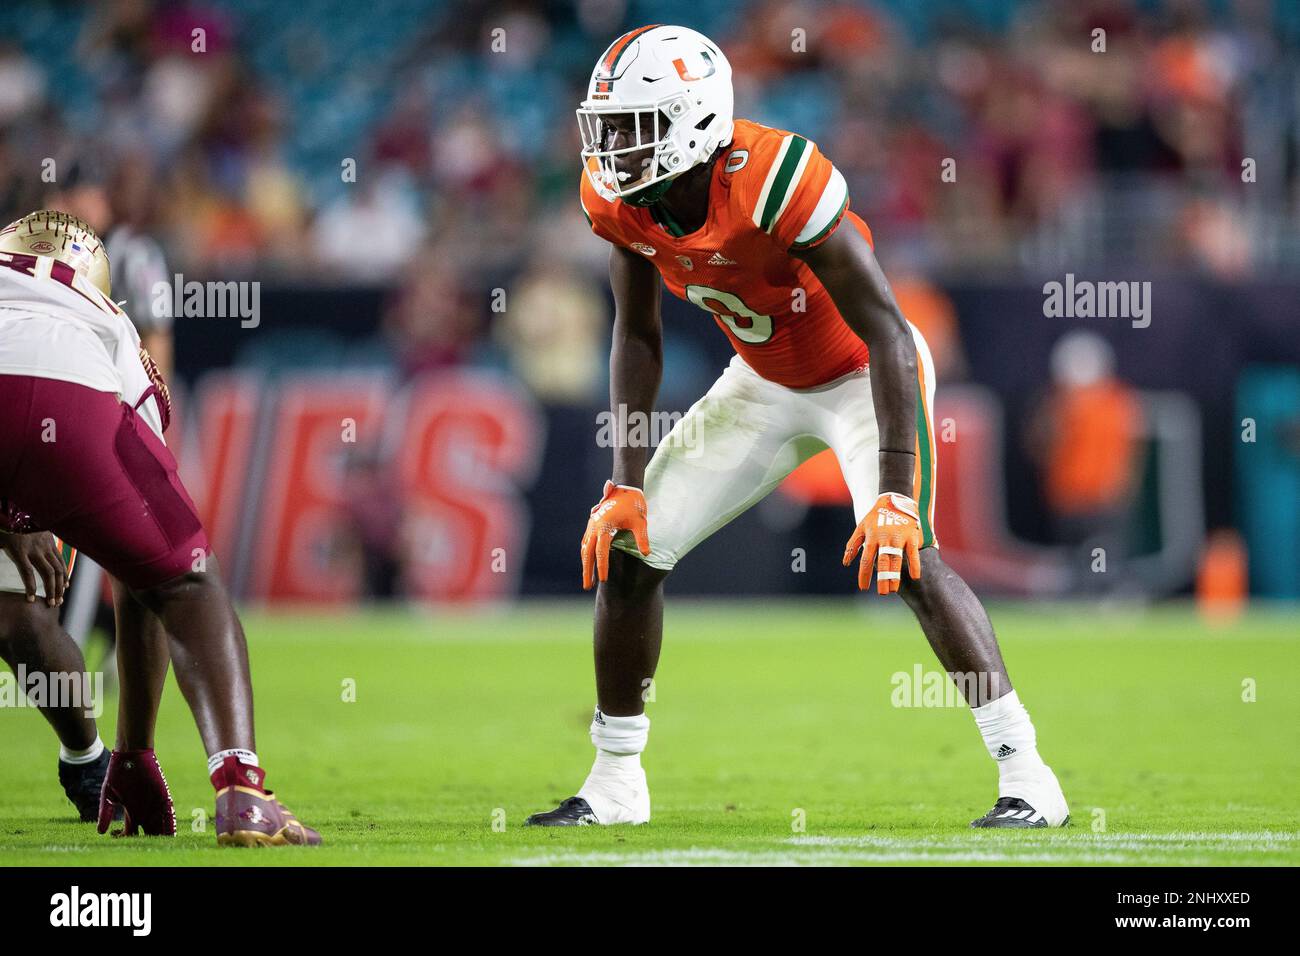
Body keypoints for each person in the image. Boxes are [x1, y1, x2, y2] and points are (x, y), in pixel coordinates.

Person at [526, 26, 1069, 829]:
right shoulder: (620, 202)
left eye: (634, 127)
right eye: (607, 128)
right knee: (629, 551)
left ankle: (1029, 775)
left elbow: (888, 330)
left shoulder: (776, 176)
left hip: (862, 374)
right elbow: (636, 336)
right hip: (761, 383)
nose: (614, 148)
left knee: (908, 556)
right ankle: (615, 783)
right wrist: (624, 484)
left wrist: (895, 492)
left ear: (694, 119)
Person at [0, 210, 319, 846]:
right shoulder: (107, 318)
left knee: (11, 611)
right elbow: (143, 576)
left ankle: (96, 758)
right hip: (74, 387)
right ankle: (242, 791)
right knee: (189, 580)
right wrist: (136, 751)